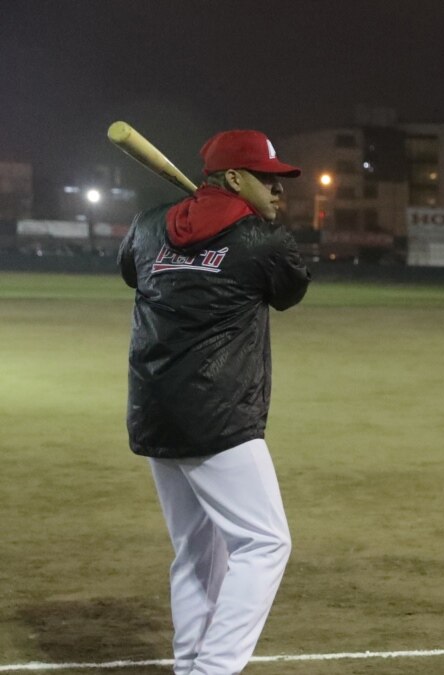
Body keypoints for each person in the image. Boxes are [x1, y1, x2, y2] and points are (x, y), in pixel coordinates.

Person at [118, 129, 311, 675]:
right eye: (268, 179)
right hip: (219, 417)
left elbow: (132, 271)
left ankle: (191, 667)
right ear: (233, 178)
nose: (280, 192)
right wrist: (246, 233)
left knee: (198, 551)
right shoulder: (262, 240)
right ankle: (213, 670)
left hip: (154, 411)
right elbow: (292, 290)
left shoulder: (151, 223)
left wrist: (196, 236)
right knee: (265, 544)